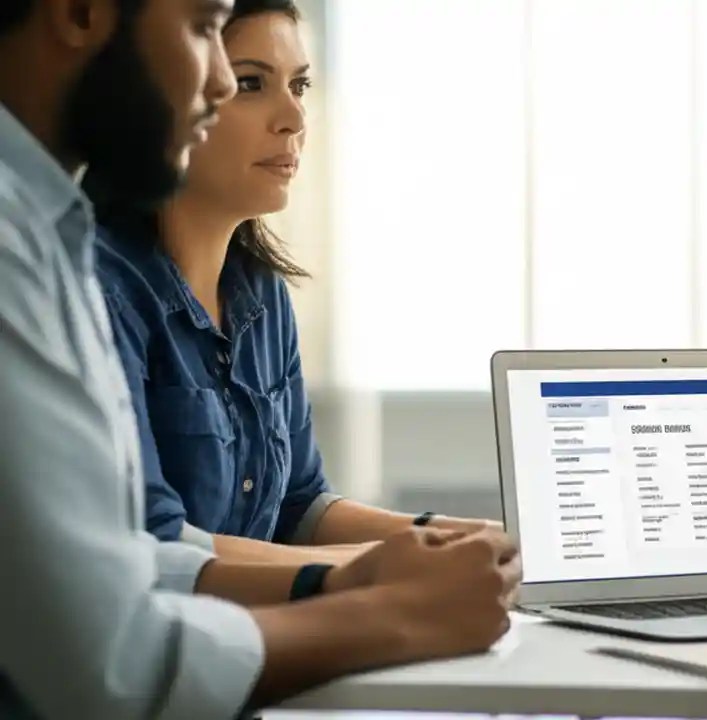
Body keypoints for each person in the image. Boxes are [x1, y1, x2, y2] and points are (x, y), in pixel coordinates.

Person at [0, 0, 520, 717]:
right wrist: (390, 603)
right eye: (204, 31)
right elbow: (114, 651)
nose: (215, 85)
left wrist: (421, 551)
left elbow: (170, 543)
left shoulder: (66, 240)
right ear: (81, 13)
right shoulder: (71, 265)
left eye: (299, 85)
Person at [89, 0, 497, 567]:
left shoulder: (262, 296)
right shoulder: (103, 290)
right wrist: (376, 571)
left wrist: (459, 536)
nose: (294, 120)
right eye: (252, 83)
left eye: (300, 86)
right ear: (182, 87)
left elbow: (300, 507)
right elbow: (155, 541)